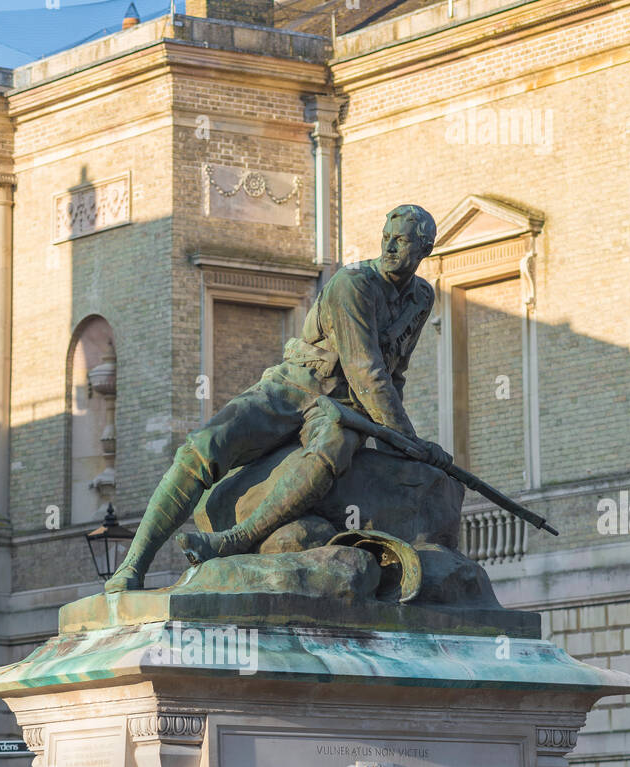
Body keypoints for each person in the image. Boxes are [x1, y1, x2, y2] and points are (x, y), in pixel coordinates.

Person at [105, 203, 448, 592]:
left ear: (424, 249)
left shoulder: (421, 299)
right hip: (295, 386)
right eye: (385, 238)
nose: (388, 248)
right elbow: (366, 370)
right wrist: (410, 440)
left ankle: (234, 539)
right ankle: (132, 566)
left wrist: (399, 445)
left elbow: (393, 373)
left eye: (400, 241)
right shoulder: (354, 283)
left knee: (330, 450)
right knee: (203, 446)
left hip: (346, 407)